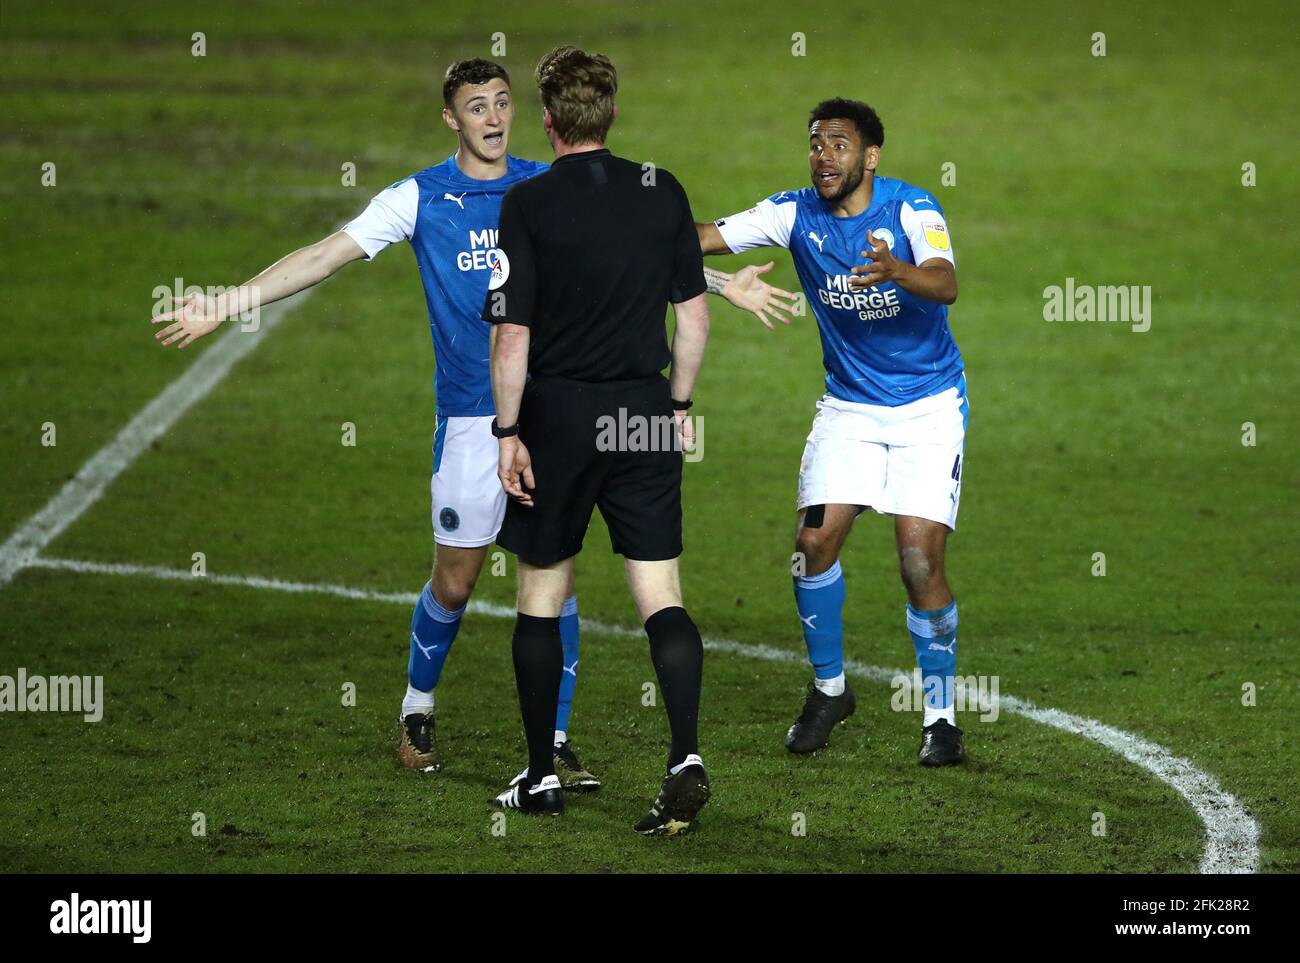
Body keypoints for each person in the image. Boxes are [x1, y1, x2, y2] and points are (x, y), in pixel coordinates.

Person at [149, 59, 607, 786]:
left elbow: (629, 252)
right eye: (475, 106)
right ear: (450, 119)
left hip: (547, 413)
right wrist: (226, 301)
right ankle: (417, 707)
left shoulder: (543, 185)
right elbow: (325, 254)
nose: (492, 117)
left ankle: (553, 741)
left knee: (552, 576)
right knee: (455, 582)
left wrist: (711, 283)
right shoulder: (421, 197)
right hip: (469, 419)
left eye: (501, 103)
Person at [695, 98, 969, 766]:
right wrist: (635, 217)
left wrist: (896, 270)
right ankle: (830, 689)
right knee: (813, 541)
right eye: (816, 143)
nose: (824, 156)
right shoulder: (792, 213)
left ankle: (940, 716)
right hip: (849, 408)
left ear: (871, 156)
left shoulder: (910, 209)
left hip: (928, 408)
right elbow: (696, 236)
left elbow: (947, 282)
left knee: (918, 560)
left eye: (839, 145)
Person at [484, 45, 714, 834]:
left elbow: (511, 335)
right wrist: (678, 403)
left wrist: (509, 430)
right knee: (661, 594)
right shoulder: (663, 191)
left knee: (542, 593)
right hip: (642, 408)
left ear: (546, 120)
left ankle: (542, 775)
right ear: (612, 114)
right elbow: (692, 316)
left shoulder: (530, 202)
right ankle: (684, 755)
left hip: (557, 415)